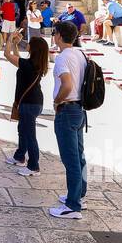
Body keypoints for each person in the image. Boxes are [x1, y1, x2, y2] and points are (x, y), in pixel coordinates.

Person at [48, 21, 89, 220]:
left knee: (70, 158)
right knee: (79, 156)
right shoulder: (81, 54)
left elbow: (67, 84)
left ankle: (73, 206)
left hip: (66, 109)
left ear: (59, 36)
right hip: (80, 110)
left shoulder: (63, 58)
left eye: (54, 33)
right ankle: (78, 195)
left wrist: (57, 101)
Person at [2, 37, 50, 176]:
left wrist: (10, 40)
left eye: (29, 43)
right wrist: (16, 45)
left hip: (29, 103)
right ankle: (19, 156)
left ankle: (34, 166)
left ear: (34, 48)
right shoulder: (33, 64)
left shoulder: (29, 65)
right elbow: (18, 59)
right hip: (33, 102)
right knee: (22, 130)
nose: (27, 44)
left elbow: (7, 55)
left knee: (30, 135)